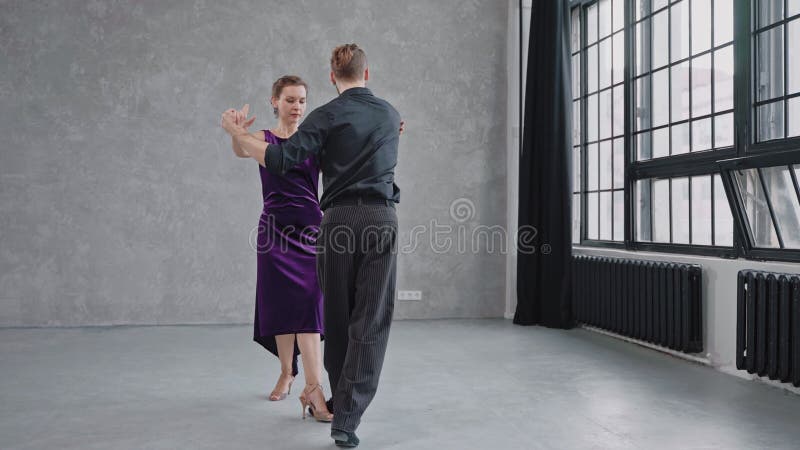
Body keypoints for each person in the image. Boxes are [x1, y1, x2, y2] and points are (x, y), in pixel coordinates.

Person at [221, 43, 401, 448]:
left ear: (332, 78)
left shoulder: (325, 117)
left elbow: (283, 160)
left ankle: (332, 401)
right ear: (367, 75)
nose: (298, 106)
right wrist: (242, 137)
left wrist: (236, 133)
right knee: (369, 321)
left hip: (334, 223)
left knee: (334, 319)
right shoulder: (389, 114)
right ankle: (345, 415)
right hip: (378, 219)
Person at [227, 75, 332, 422]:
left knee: (311, 306)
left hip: (311, 233)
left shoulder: (313, 141)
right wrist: (236, 130)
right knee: (283, 306)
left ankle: (314, 387)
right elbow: (240, 149)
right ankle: (288, 372)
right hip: (274, 233)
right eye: (289, 100)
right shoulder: (263, 139)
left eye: (302, 100)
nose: (297, 106)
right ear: (274, 101)